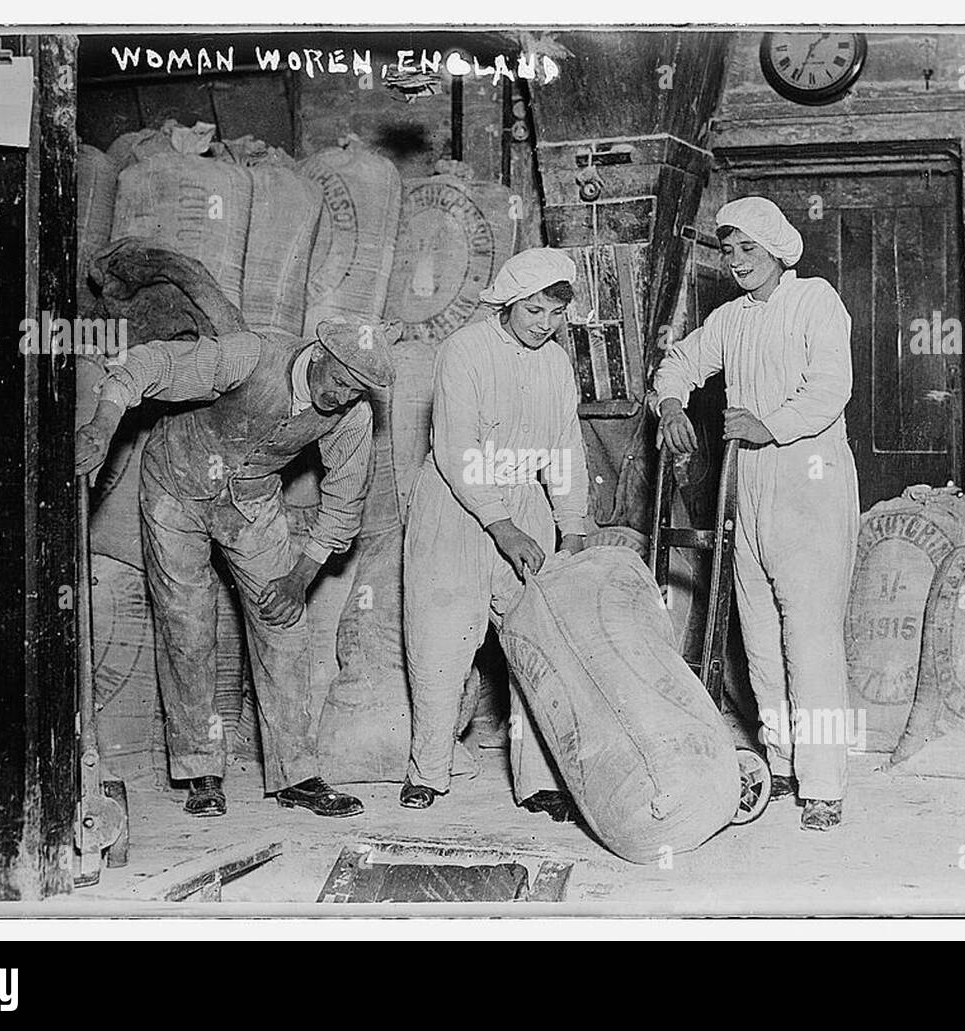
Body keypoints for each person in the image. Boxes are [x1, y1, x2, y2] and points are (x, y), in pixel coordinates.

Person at [75, 317, 398, 819]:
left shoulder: (351, 415)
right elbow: (151, 363)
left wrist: (298, 577)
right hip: (175, 486)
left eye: (354, 391)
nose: (339, 396)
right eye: (337, 380)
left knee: (285, 621)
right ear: (317, 354)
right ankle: (202, 771)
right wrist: (101, 425)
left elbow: (344, 504)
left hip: (250, 501)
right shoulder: (251, 355)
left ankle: (297, 774)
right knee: (187, 624)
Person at [652, 197, 859, 831]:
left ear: (776, 249)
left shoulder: (814, 299)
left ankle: (825, 784)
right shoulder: (730, 318)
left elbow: (831, 385)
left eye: (749, 249)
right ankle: (785, 759)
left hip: (811, 478)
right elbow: (683, 361)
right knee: (760, 633)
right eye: (729, 250)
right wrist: (670, 405)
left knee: (811, 635)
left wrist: (769, 425)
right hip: (747, 483)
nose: (738, 261)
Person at [400, 248, 590, 819]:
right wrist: (499, 524)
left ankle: (539, 780)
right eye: (534, 310)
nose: (545, 324)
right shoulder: (466, 349)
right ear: (509, 302)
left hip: (523, 500)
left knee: (534, 640)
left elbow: (564, 448)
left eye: (555, 315)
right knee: (441, 638)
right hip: (457, 505)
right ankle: (428, 771)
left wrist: (571, 526)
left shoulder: (555, 363)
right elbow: (456, 448)